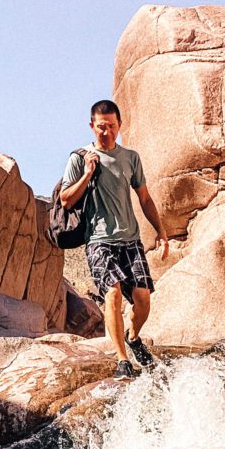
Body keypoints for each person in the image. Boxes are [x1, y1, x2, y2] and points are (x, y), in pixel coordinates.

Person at [59, 99, 169, 379]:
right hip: (99, 240)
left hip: (130, 241)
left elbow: (144, 197)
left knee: (143, 300)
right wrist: (87, 173)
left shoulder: (130, 158)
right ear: (91, 126)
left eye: (111, 126)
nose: (105, 132)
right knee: (113, 294)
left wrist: (161, 231)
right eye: (100, 127)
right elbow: (66, 200)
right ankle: (122, 360)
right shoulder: (79, 157)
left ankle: (133, 338)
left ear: (119, 126)